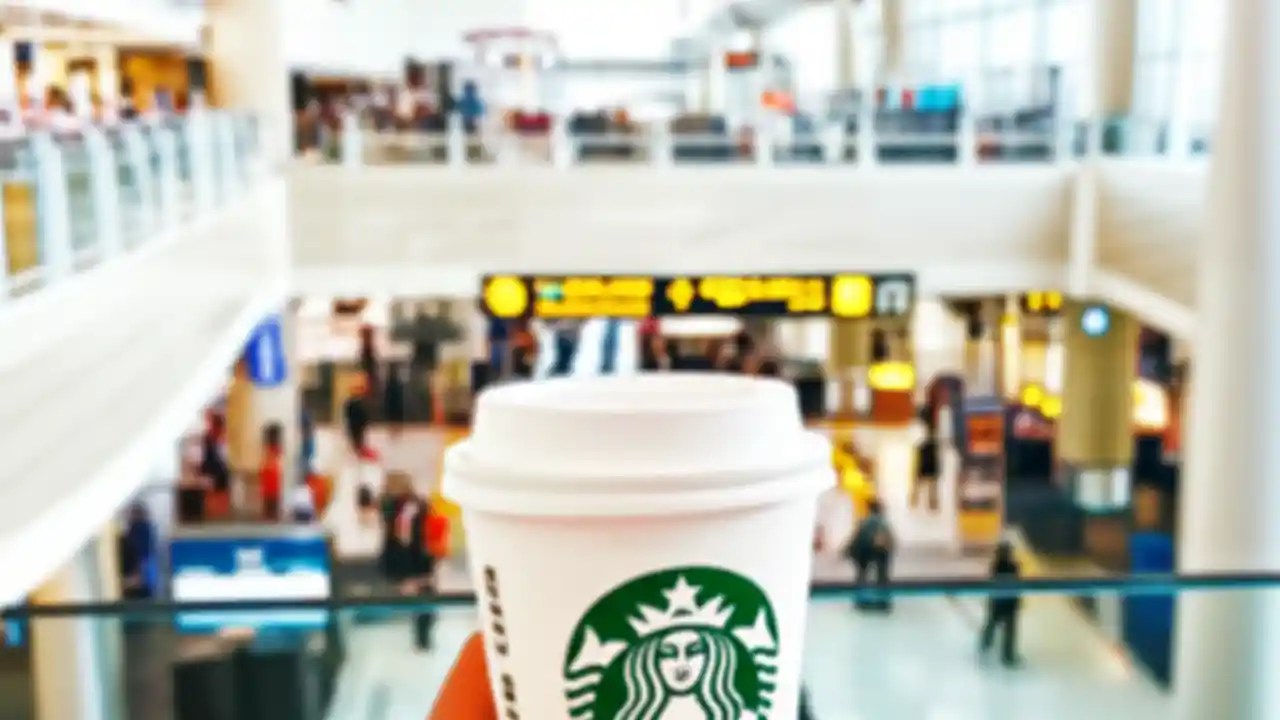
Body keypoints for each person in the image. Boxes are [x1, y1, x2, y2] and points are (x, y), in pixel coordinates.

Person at [381, 472, 437, 650]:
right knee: (424, 596)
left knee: (422, 596)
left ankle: (423, 636)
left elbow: (404, 537)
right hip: (418, 560)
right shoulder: (409, 505)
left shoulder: (402, 507)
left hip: (413, 560)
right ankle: (423, 636)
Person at [979, 540, 1023, 667]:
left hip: (997, 601)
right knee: (1009, 630)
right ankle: (1008, 655)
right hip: (1008, 602)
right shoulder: (1013, 567)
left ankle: (986, 642)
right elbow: (1016, 584)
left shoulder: (995, 566)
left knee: (992, 623)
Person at [846, 499, 894, 612]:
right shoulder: (883, 522)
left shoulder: (863, 521)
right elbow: (888, 540)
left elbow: (855, 538)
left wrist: (848, 551)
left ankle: (860, 600)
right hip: (879, 551)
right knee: (882, 576)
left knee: (862, 576)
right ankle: (883, 601)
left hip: (863, 551)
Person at [344, 375, 372, 454]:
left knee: (358, 444)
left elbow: (349, 416)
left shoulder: (352, 403)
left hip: (356, 427)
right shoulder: (356, 403)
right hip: (356, 427)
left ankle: (358, 450)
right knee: (358, 444)